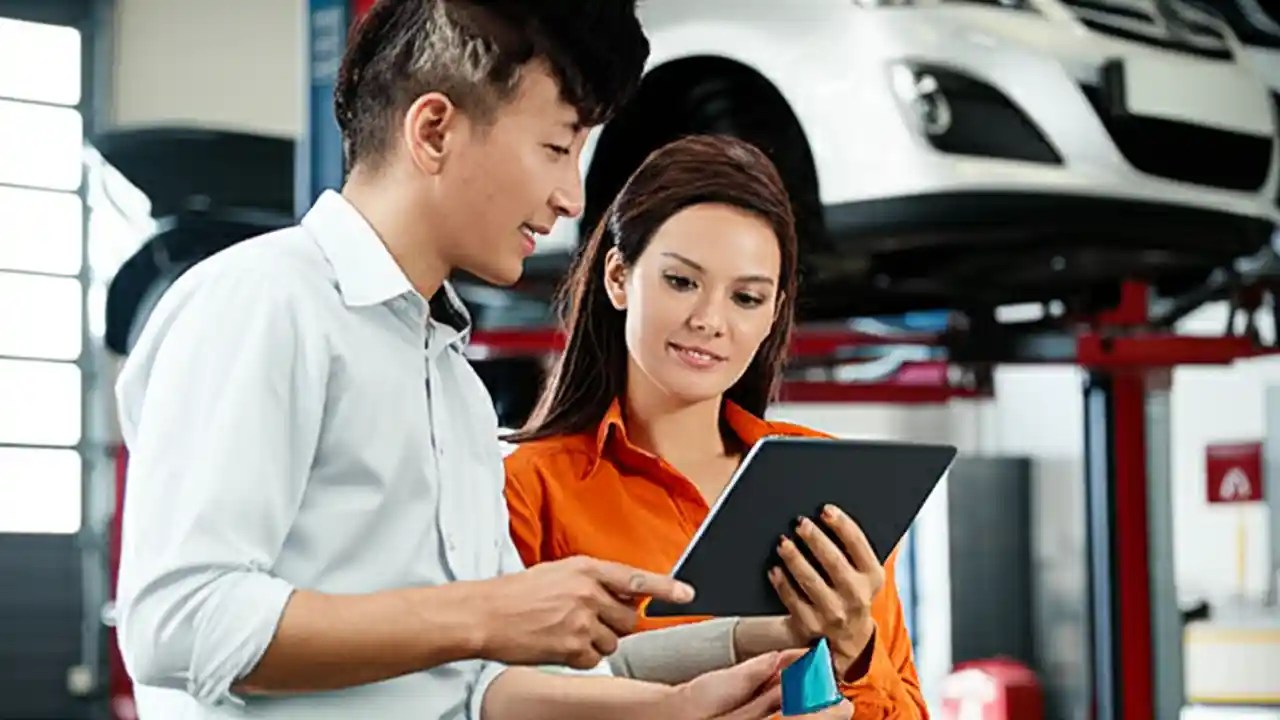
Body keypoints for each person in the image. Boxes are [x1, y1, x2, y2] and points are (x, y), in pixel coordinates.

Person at [112, 2, 814, 718]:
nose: (572, 197)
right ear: (435, 130)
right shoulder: (266, 301)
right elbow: (179, 623)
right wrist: (486, 612)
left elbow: (480, 686)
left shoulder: (452, 383)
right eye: (556, 148)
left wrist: (714, 671)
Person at [503, 134, 929, 718]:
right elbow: (496, 700)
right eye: (682, 282)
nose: (710, 321)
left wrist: (855, 647)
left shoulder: (828, 489)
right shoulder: (528, 492)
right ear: (619, 277)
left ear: (775, 311)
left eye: (747, 297)